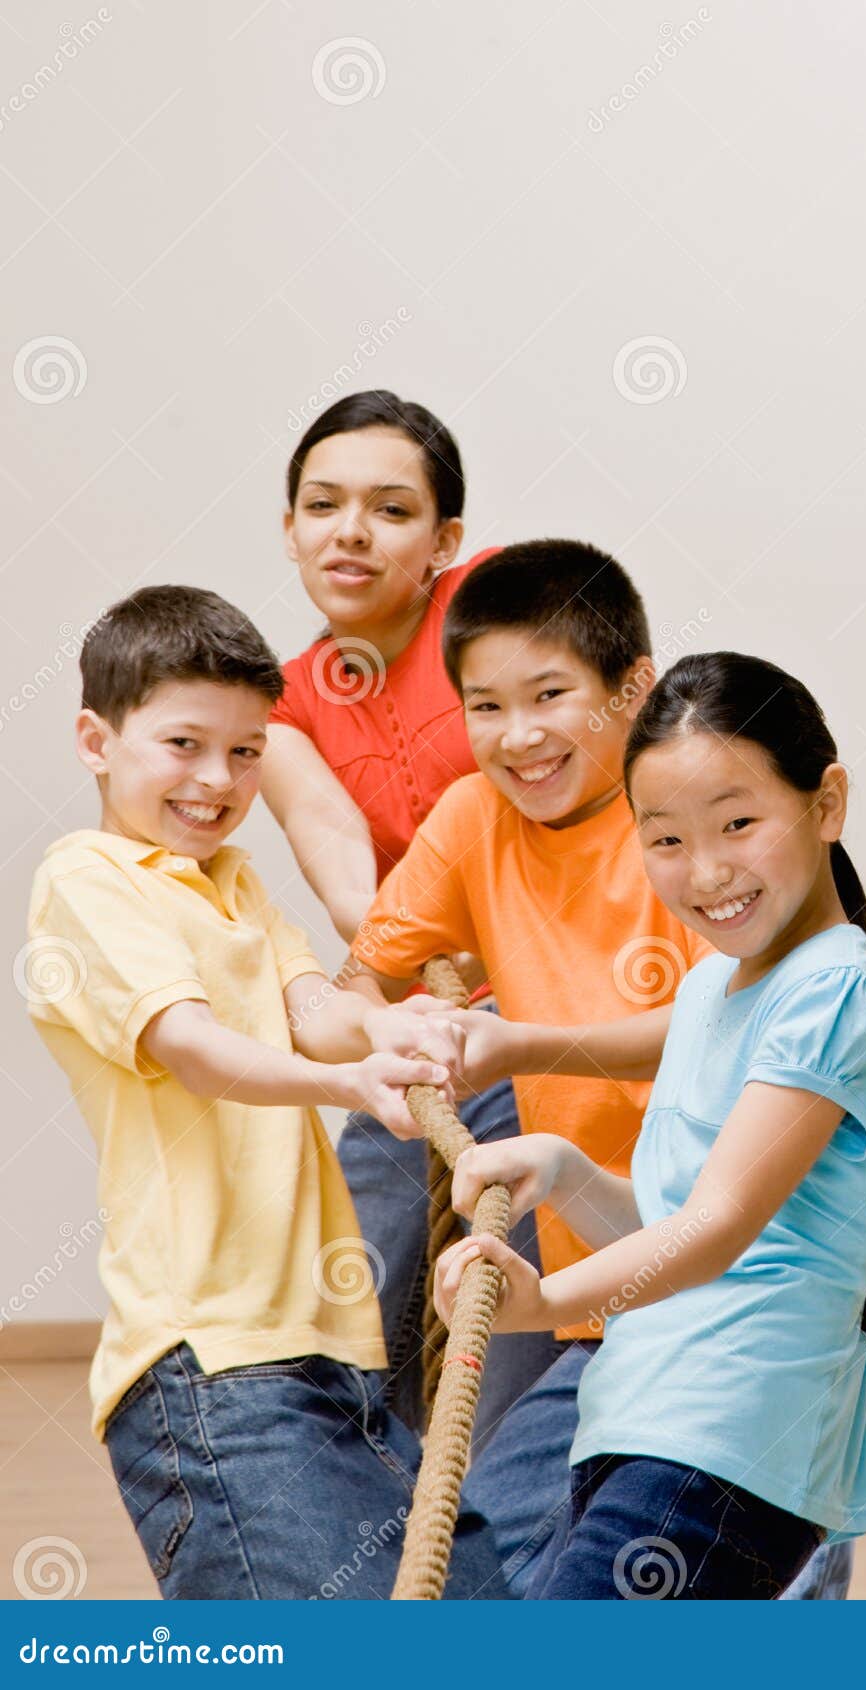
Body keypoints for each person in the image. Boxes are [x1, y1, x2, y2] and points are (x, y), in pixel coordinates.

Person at [24, 585, 507, 1599]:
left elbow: (311, 1007)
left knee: (468, 1607)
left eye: (247, 752)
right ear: (95, 740)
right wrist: (346, 1078)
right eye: (185, 744)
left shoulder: (237, 883)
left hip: (333, 1355)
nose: (218, 779)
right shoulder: (88, 878)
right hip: (210, 1362)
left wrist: (385, 1023)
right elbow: (194, 1045)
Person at [431, 651, 866, 1599]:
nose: (706, 873)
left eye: (739, 823)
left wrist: (541, 1301)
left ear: (827, 804)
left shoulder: (835, 991)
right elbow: (680, 1222)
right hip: (649, 1425)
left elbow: (717, 1229)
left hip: (725, 1446)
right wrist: (565, 1165)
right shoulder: (716, 986)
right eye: (664, 839)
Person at [341, 539, 710, 1590]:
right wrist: (387, 1035)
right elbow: (357, 980)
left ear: (632, 688)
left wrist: (515, 1043)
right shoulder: (473, 819)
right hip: (588, 1264)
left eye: (550, 694)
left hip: (741, 1259)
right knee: (494, 1536)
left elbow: (724, 1024)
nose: (517, 736)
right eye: (485, 705)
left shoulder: (693, 816)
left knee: (750, 1550)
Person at [260, 389, 530, 1438]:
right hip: (415, 1027)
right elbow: (346, 881)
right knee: (353, 1305)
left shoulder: (497, 618)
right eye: (322, 505)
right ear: (290, 531)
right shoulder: (280, 704)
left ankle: (507, 1546)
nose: (351, 532)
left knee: (511, 1321)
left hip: (551, 1014)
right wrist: (407, 999)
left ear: (445, 538)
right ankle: (370, 1563)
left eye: (391, 508)